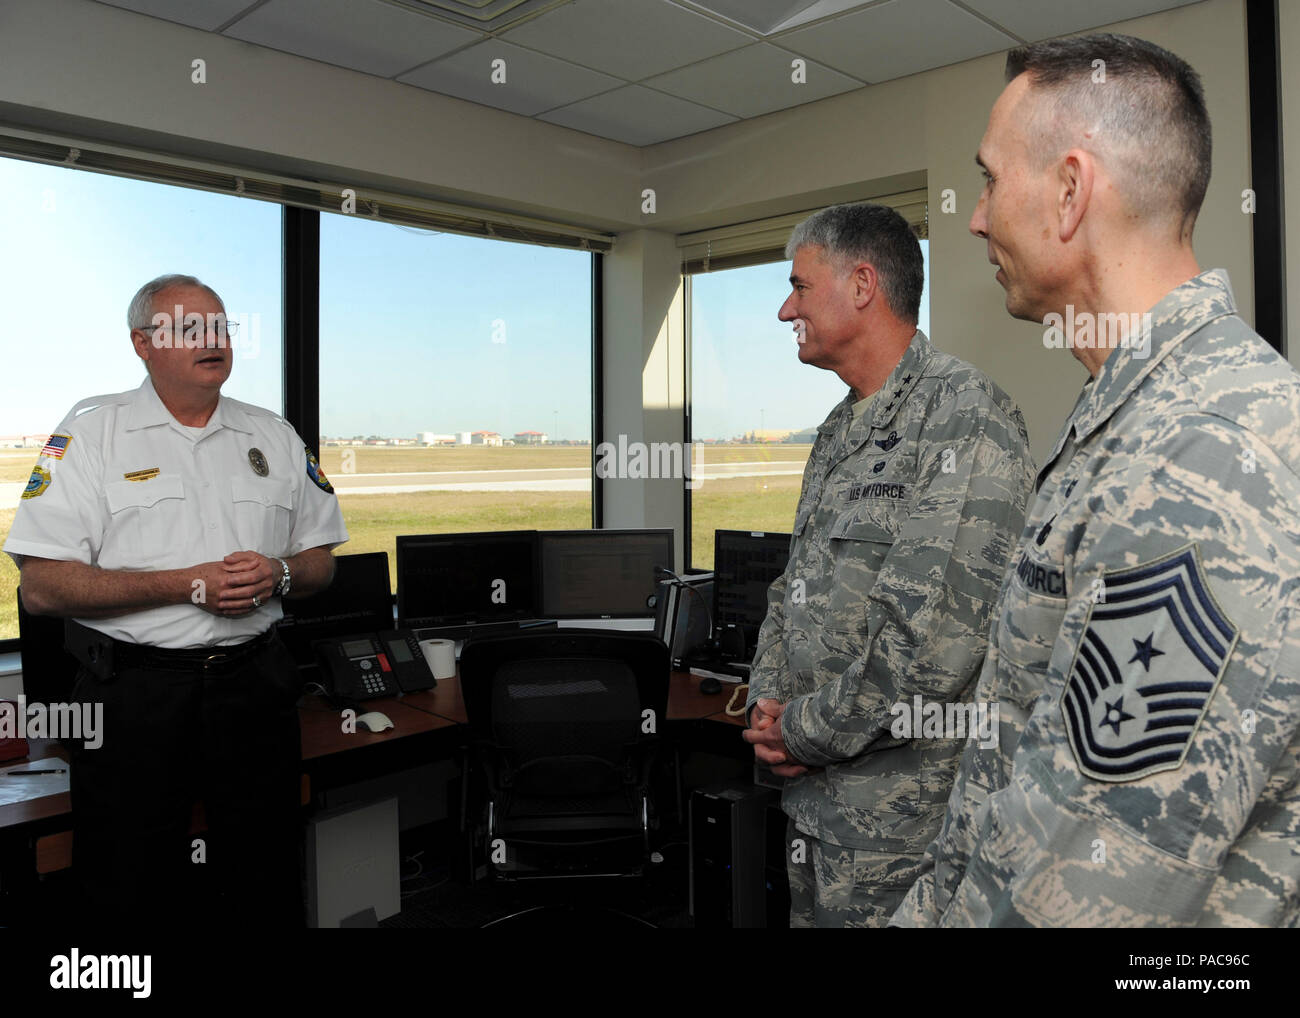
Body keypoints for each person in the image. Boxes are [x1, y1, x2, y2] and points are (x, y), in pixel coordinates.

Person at [892, 33, 1300, 928]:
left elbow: (1083, 893)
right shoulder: (1134, 417)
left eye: (990, 180)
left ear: (1071, 191)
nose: (975, 217)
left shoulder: (1200, 456)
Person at [5, 273, 348, 926]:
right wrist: (185, 583)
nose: (211, 339)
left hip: (255, 689)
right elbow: (43, 587)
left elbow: (321, 562)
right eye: (188, 327)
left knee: (267, 878)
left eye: (219, 326)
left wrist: (279, 573)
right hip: (137, 696)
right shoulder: (90, 434)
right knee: (125, 887)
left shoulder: (274, 434)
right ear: (142, 344)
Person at [742, 203, 1035, 927]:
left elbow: (931, 648)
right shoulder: (837, 431)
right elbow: (791, 590)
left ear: (863, 284)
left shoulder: (964, 415)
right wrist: (765, 703)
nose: (785, 310)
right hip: (812, 811)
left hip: (904, 837)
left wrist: (800, 731)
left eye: (800, 287)